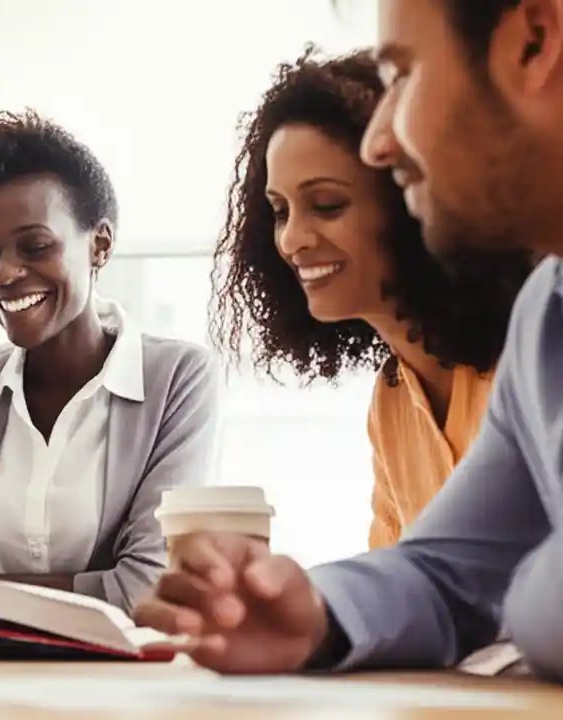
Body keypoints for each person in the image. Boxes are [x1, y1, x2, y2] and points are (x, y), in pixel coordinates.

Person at [134, 0, 563, 682]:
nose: (379, 143)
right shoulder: (546, 314)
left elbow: (521, 593)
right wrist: (316, 610)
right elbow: (449, 573)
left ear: (534, 43)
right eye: (279, 212)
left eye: (405, 74)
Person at [0, 110, 221, 613]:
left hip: (121, 683)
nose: (4, 273)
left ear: (99, 245)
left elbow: (148, 585)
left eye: (35, 246)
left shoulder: (180, 379)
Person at [210, 48, 534, 549]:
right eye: (279, 211)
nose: (292, 239)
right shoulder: (392, 401)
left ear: (408, 201)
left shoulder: (528, 362)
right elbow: (401, 579)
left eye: (326, 205)